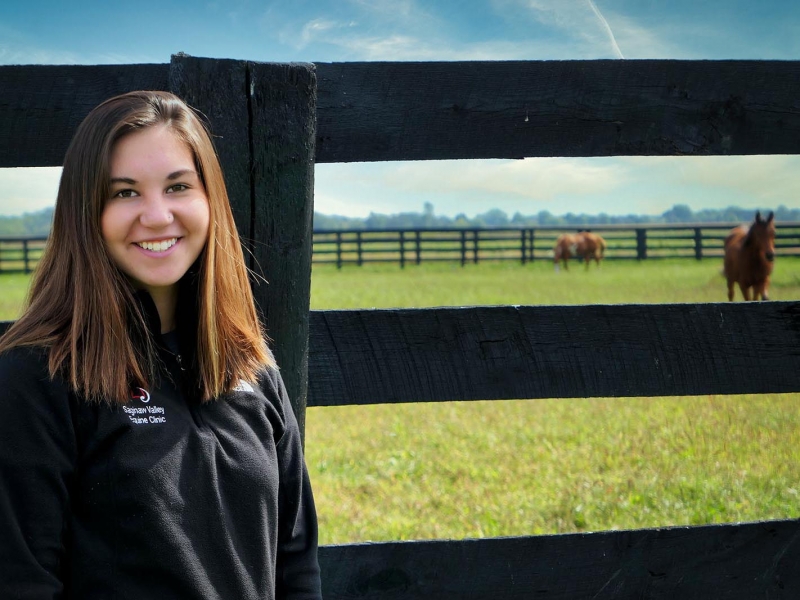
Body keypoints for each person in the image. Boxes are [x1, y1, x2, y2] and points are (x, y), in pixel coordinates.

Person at [0, 91, 322, 599]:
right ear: (86, 212)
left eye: (177, 187)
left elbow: (297, 564)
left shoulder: (252, 366)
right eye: (124, 193)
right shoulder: (39, 375)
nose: (156, 215)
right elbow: (22, 582)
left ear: (208, 199)